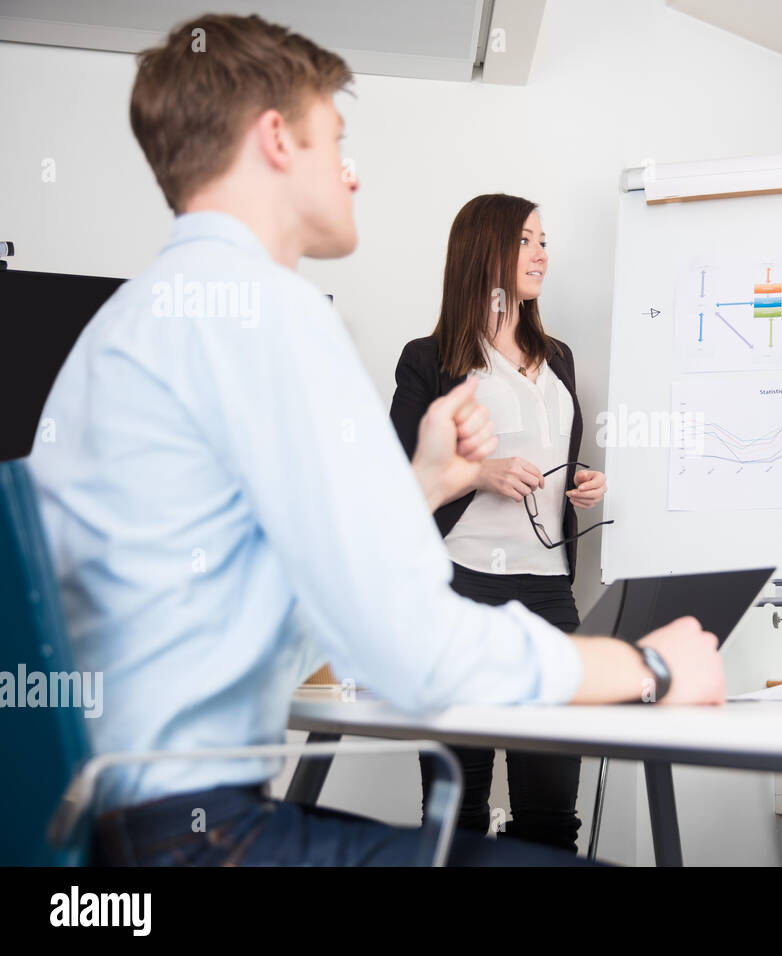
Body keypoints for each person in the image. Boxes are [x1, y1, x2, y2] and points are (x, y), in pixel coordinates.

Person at [28, 12, 725, 867]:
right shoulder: (266, 315)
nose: (351, 175)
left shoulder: (137, 319)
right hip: (197, 837)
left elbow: (279, 565)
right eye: (337, 141)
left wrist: (425, 485)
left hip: (114, 831)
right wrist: (642, 668)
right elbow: (414, 653)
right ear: (277, 139)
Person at [390, 194, 607, 852]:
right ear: (484, 252)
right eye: (526, 241)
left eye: (544, 240)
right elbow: (396, 486)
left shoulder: (559, 357)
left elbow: (554, 453)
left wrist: (580, 479)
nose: (542, 253)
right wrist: (478, 473)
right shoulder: (429, 359)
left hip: (548, 589)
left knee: (550, 816)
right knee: (459, 811)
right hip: (460, 589)